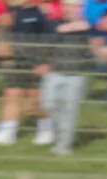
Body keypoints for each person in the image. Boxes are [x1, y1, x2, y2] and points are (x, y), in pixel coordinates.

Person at [0, 0, 55, 147]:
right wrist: (3, 29)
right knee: (11, 94)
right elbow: (3, 33)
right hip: (15, 59)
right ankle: (7, 132)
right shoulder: (12, 12)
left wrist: (44, 62)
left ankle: (46, 129)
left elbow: (48, 40)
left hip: (34, 61)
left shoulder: (39, 14)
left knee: (35, 98)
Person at [39, 0, 94, 155]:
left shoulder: (87, 26)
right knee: (48, 105)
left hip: (76, 74)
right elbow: (50, 37)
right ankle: (61, 133)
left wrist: (71, 27)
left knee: (69, 111)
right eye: (67, 6)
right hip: (54, 72)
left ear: (80, 9)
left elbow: (87, 28)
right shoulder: (53, 23)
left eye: (74, 6)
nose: (71, 10)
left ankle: (63, 146)